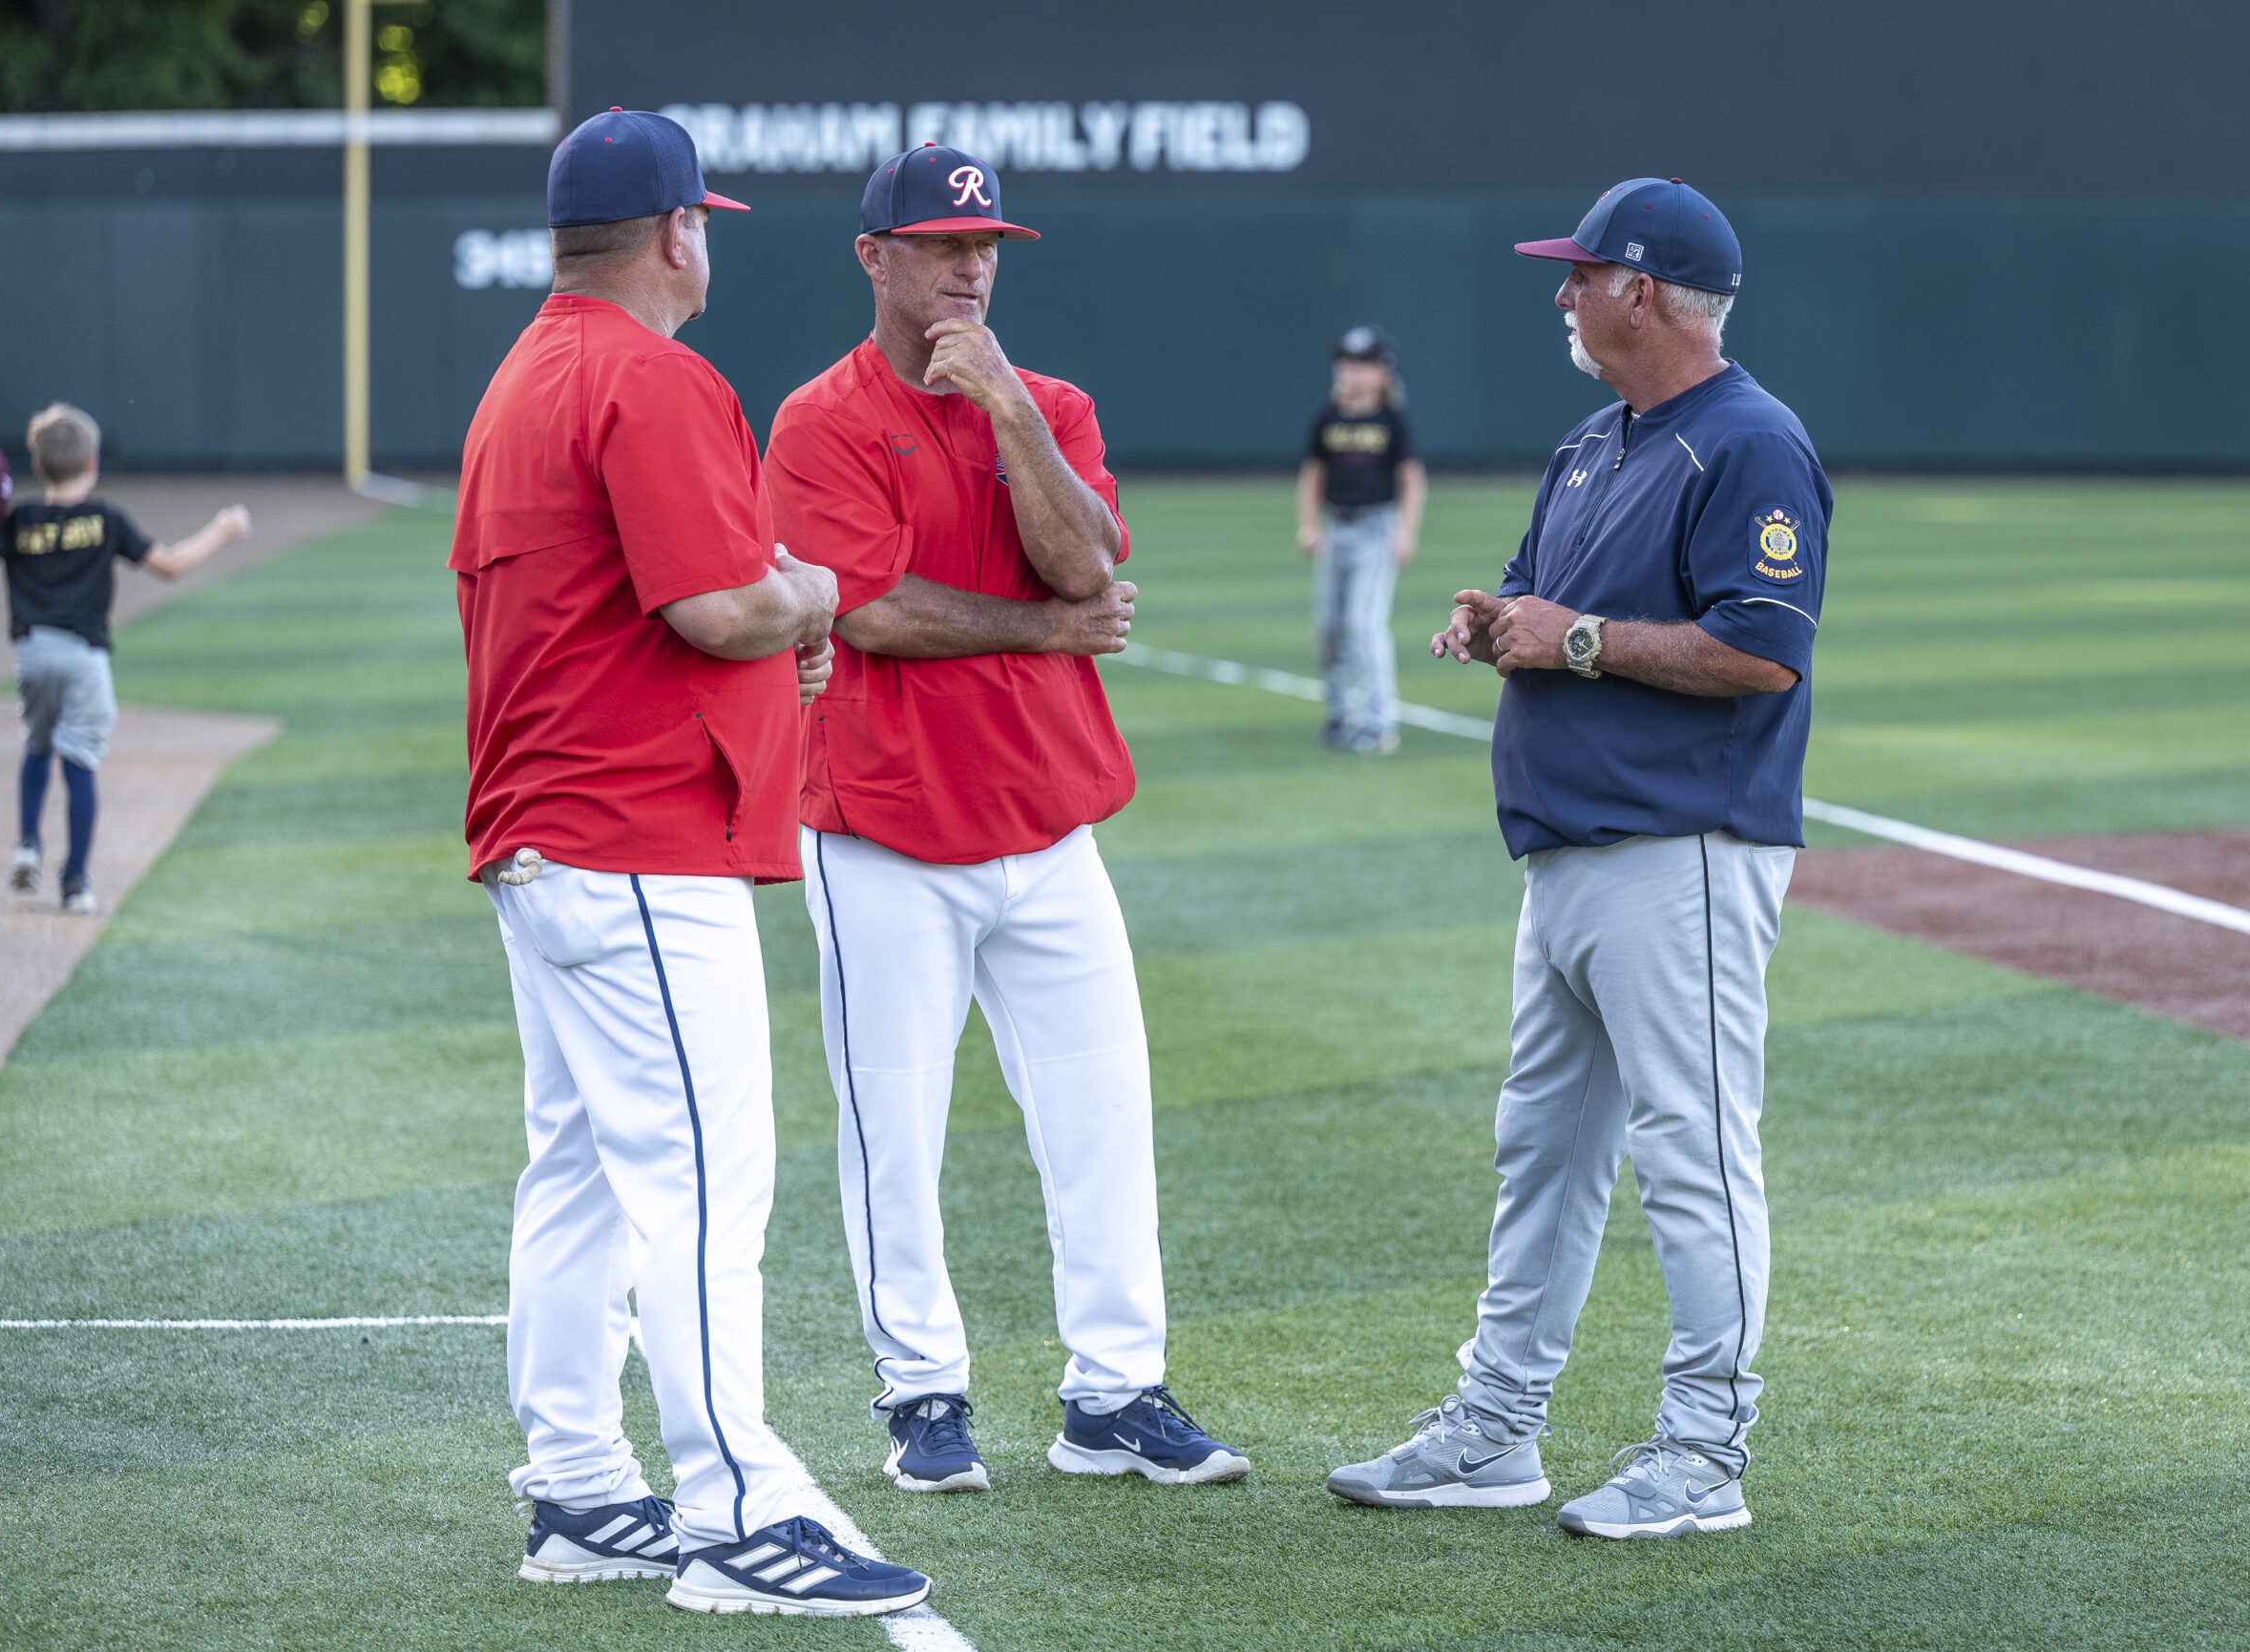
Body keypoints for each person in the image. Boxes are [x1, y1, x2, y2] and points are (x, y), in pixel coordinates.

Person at [452, 107, 930, 1618]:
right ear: (675, 234)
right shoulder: (647, 376)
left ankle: (582, 1485)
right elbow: (723, 607)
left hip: (550, 834)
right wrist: (811, 592)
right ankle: (733, 1509)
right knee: (705, 1176)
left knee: (585, 1172)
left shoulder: (521, 376)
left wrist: (764, 619)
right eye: (702, 220)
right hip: (634, 834)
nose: (705, 239)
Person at [1326, 178, 1829, 1539]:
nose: (1563, 290)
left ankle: (1705, 1450)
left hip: (1685, 850)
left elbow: (1764, 646)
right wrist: (1497, 620)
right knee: (1541, 1150)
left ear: (1648, 293)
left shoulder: (1751, 443)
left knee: (1694, 1154)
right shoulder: (1595, 440)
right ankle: (1497, 1425)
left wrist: (1579, 641)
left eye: (1584, 271)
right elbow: (1545, 604)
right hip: (1567, 855)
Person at [762, 143, 1249, 1499]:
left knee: (1103, 1116)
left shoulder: (1052, 403)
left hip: (1050, 822)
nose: (971, 268)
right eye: (941, 247)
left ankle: (1115, 1392)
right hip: (883, 828)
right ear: (875, 259)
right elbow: (868, 609)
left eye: (985, 249)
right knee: (894, 1127)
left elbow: (1088, 558)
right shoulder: (819, 420)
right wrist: (1048, 630)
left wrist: (1010, 413)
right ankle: (922, 1390)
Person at [0, 408, 251, 915]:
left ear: (39, 468)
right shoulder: (106, 518)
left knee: (38, 744)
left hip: (33, 654)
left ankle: (27, 843)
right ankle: (76, 882)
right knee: (81, 760)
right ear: (91, 463)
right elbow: (170, 566)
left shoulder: (19, 519)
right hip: (85, 660)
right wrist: (222, 529)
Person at [1296, 325, 1426, 755]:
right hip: (1338, 528)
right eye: (1346, 363)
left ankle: (1379, 722)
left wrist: (1406, 532)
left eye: (1359, 364)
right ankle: (1338, 714)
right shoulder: (1328, 415)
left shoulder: (1391, 420)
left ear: (1381, 372)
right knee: (1330, 628)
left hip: (1375, 531)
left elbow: (1411, 479)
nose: (1349, 371)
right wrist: (1309, 523)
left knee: (1363, 624)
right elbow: (1313, 473)